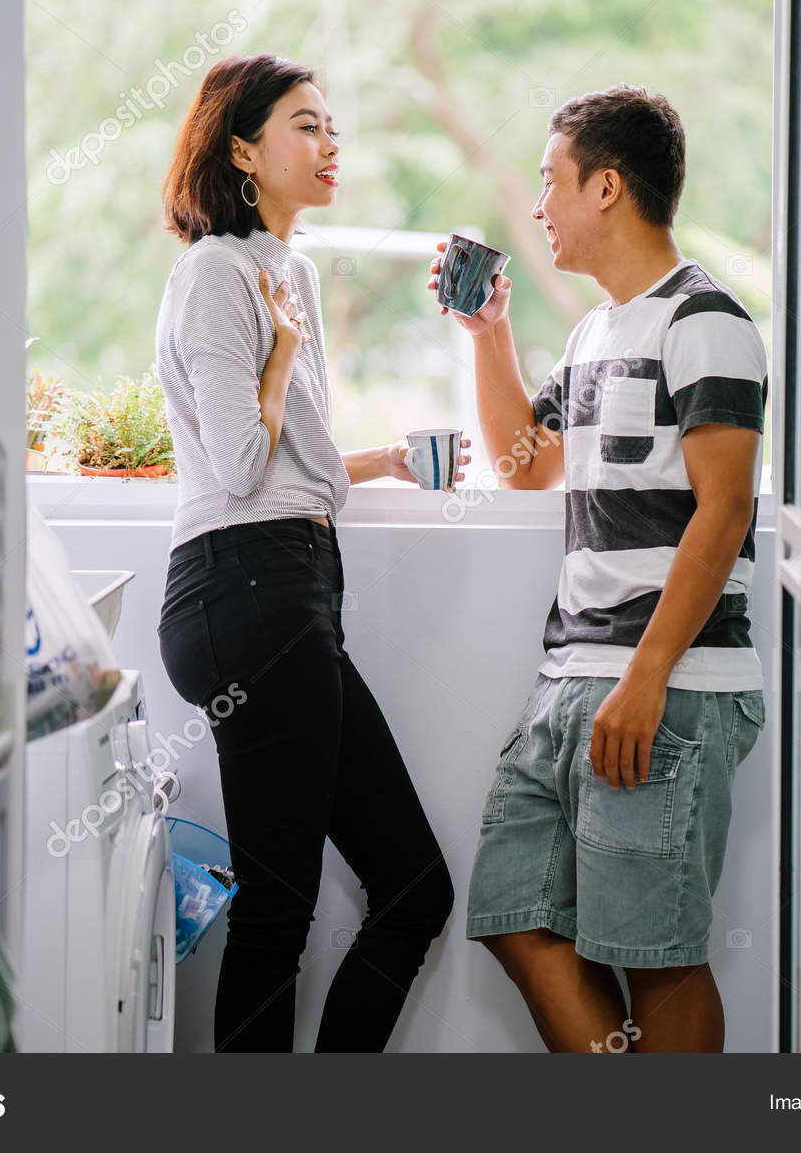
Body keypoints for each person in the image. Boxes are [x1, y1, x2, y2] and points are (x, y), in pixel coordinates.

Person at [428, 84, 768, 1052]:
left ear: (606, 186)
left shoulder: (704, 323)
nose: (536, 207)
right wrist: (488, 334)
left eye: (550, 181)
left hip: (666, 685)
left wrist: (646, 676)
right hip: (569, 680)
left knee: (654, 953)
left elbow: (725, 509)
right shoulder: (592, 334)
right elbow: (525, 467)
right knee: (512, 916)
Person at [155, 52, 464, 1052]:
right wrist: (283, 352)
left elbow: (308, 471)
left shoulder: (292, 272)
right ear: (243, 150)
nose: (331, 145)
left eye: (333, 126)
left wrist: (394, 460)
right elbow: (242, 462)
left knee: (413, 889)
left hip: (290, 587)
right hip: (243, 589)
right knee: (278, 913)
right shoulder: (215, 273)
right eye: (305, 126)